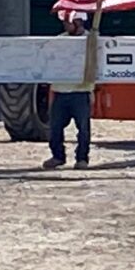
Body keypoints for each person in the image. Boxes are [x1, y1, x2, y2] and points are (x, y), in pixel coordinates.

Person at [43, 10, 93, 170]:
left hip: (81, 92)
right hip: (60, 91)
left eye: (68, 22)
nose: (65, 25)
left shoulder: (91, 40)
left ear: (78, 22)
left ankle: (82, 158)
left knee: (83, 129)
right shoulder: (59, 41)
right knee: (55, 127)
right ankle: (58, 156)